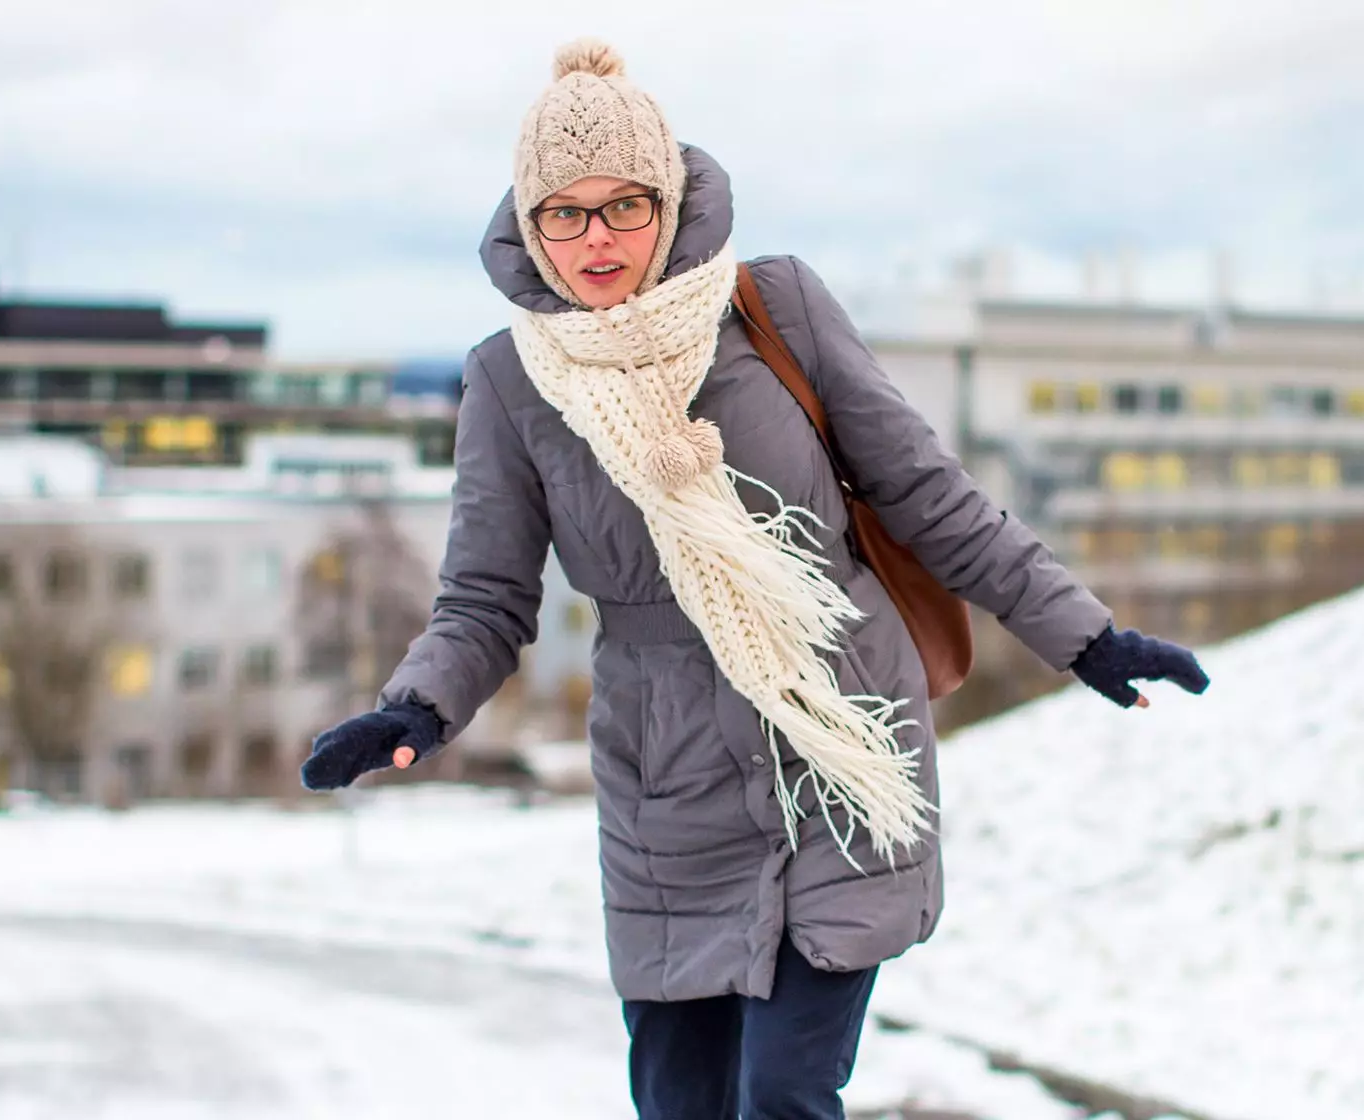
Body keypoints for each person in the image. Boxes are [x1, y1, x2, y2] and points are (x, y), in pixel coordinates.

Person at [301, 37, 1210, 1120]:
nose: (598, 239)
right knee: (681, 1102)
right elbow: (486, 600)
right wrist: (414, 706)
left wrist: (1084, 636)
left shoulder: (774, 310)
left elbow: (929, 495)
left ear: (669, 196)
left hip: (839, 740)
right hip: (668, 787)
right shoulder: (509, 382)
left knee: (782, 1091)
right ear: (528, 222)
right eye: (565, 213)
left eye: (624, 205)